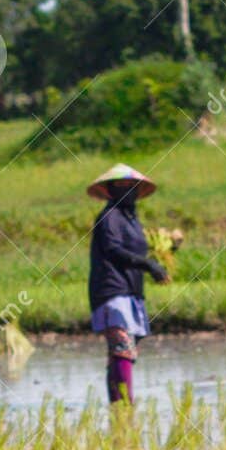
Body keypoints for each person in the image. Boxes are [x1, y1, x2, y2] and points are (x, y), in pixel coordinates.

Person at [87, 163, 168, 405]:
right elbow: (112, 250)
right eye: (119, 187)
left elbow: (136, 249)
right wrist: (148, 266)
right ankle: (123, 406)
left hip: (131, 291)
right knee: (122, 347)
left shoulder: (131, 219)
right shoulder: (109, 216)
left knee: (125, 350)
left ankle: (119, 403)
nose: (126, 191)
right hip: (112, 290)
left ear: (136, 190)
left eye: (130, 187)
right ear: (110, 191)